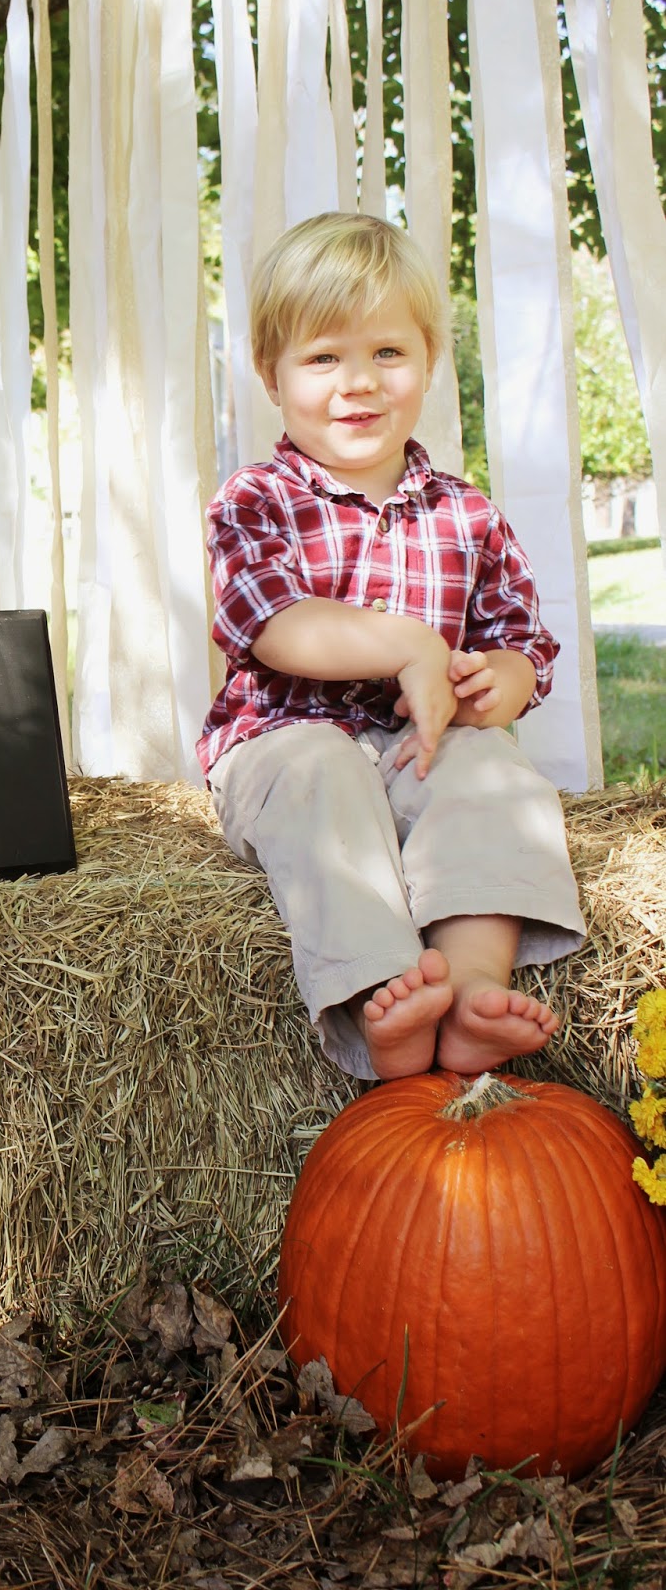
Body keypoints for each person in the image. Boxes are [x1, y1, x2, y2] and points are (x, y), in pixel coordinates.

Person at [198, 212, 586, 1083]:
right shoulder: (255, 500)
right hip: (283, 742)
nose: (357, 383)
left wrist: (500, 681)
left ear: (426, 364)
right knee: (321, 777)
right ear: (272, 375)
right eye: (323, 358)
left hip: (421, 747)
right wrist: (407, 643)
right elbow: (269, 622)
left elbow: (520, 639)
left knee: (493, 774)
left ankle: (474, 991)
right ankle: (383, 996)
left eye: (386, 354)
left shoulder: (466, 514)